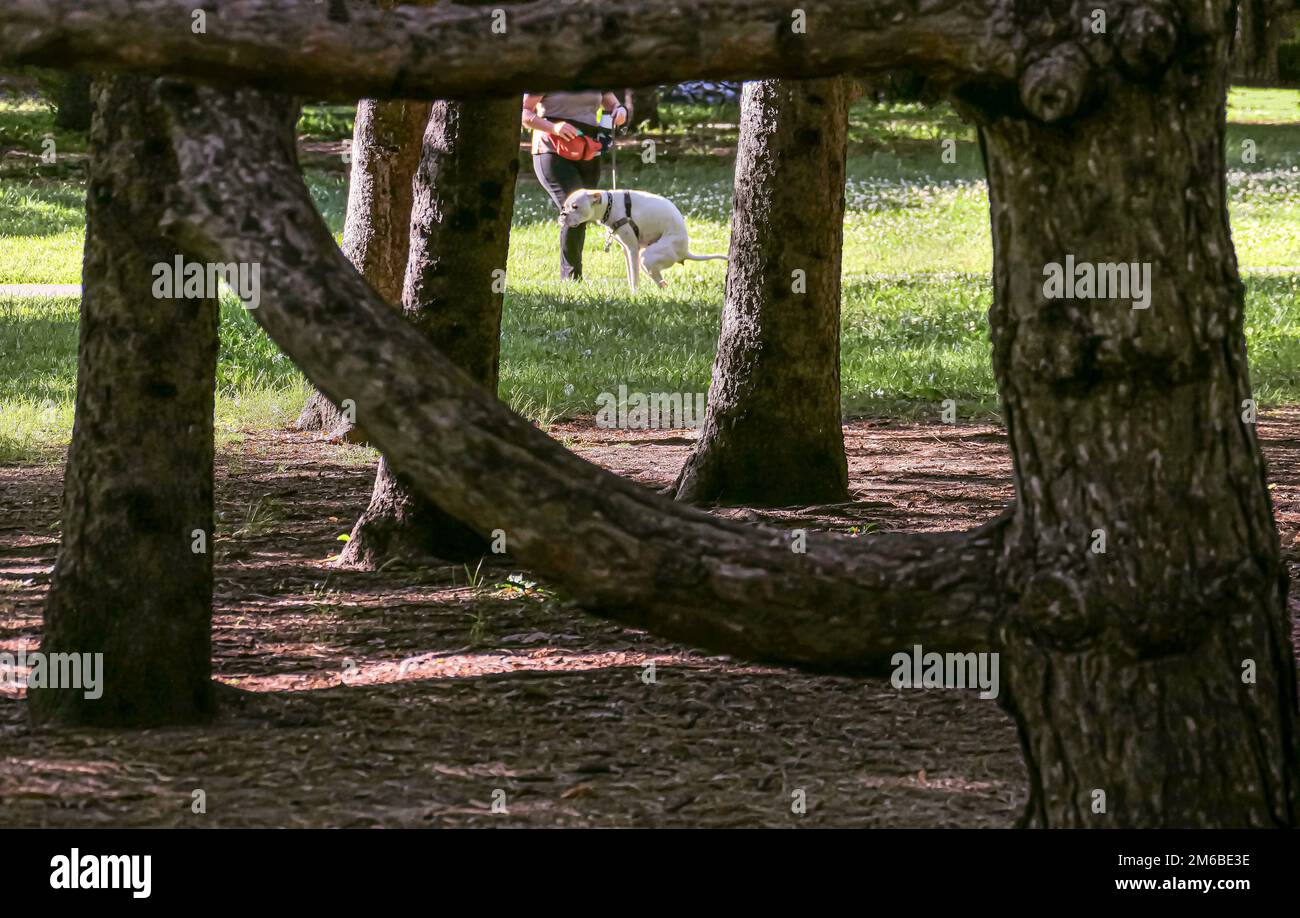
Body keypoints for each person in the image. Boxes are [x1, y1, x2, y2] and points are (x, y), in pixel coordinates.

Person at [523, 91, 629, 281]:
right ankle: (571, 279)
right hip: (551, 149)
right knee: (575, 211)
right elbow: (523, 112)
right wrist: (553, 127)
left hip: (588, 150)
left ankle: (573, 277)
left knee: (583, 213)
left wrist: (620, 112)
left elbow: (614, 106)